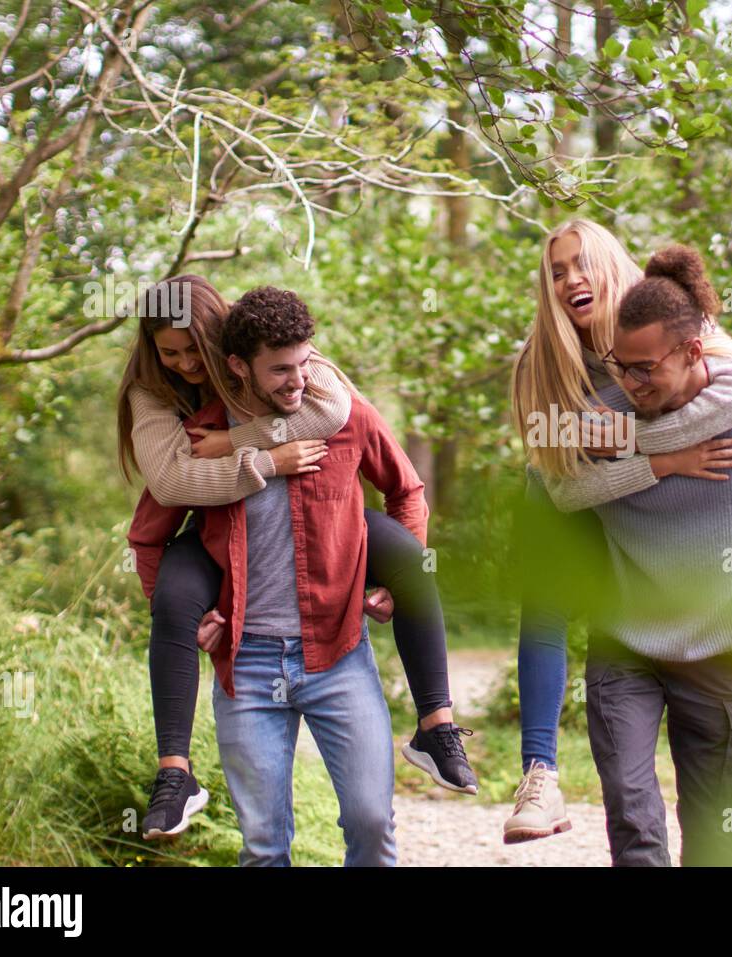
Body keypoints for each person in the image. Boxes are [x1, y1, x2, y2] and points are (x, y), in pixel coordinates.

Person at [116, 276, 475, 843]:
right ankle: (174, 772)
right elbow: (155, 511)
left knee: (372, 821)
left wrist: (389, 587)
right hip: (247, 657)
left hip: (336, 650)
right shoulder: (193, 427)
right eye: (171, 353)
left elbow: (406, 488)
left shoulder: (335, 405)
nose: (296, 379)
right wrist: (191, 622)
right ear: (237, 363)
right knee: (262, 843)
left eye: (301, 365)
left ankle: (437, 723)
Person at [503, 218, 732, 843]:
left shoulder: (666, 320)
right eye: (557, 271)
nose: (571, 279)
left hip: (647, 501)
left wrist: (633, 440)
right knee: (544, 598)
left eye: (581, 263)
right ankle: (540, 773)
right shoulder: (541, 359)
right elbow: (554, 454)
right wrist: (652, 454)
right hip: (566, 489)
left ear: (610, 264)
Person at [582, 244, 732, 866]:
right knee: (633, 816)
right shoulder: (604, 422)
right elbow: (560, 490)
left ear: (692, 351)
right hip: (623, 644)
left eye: (644, 368)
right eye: (619, 366)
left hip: (720, 646)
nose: (629, 384)